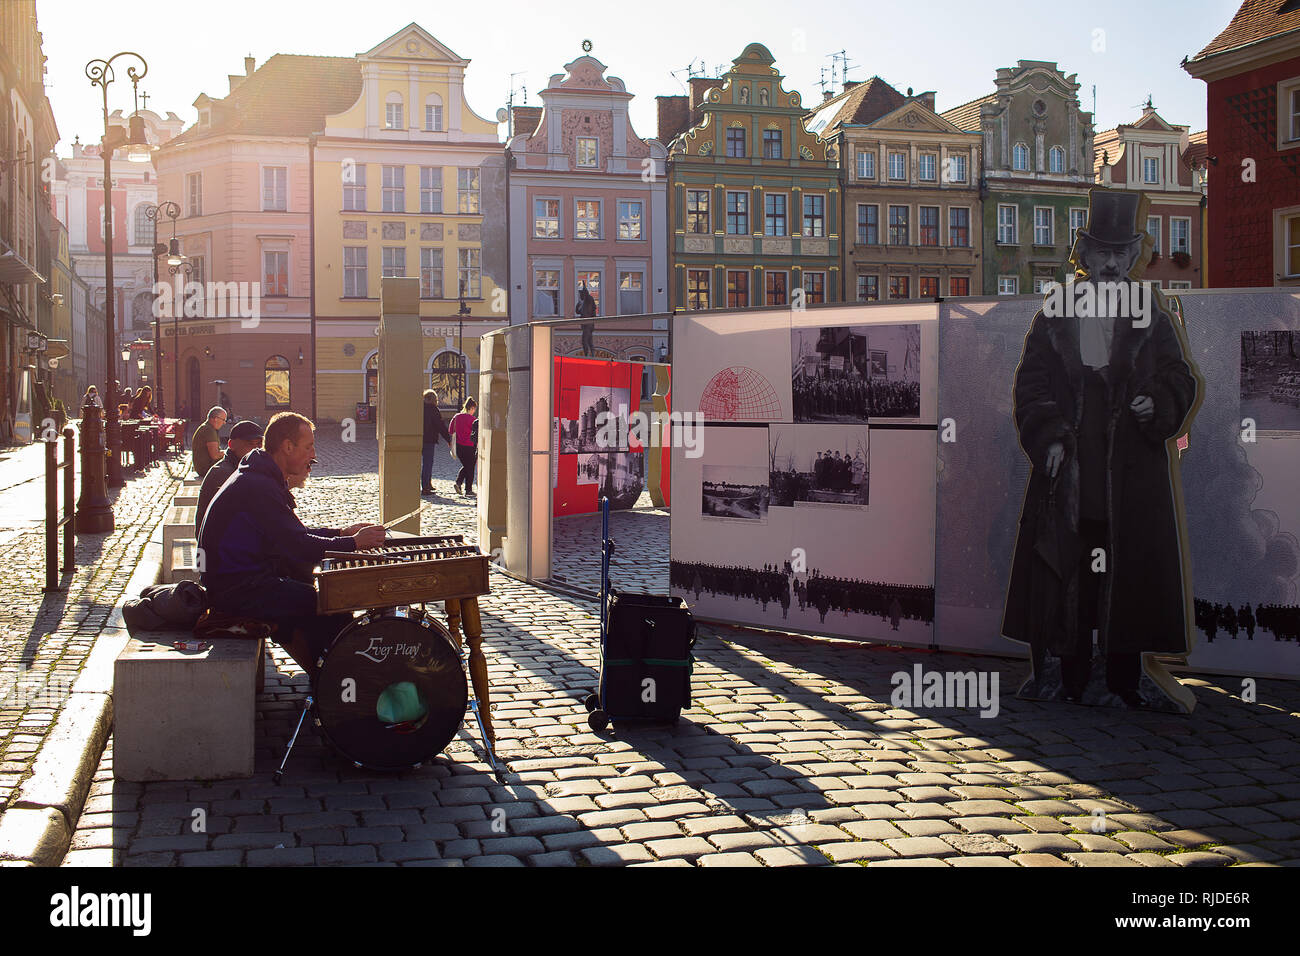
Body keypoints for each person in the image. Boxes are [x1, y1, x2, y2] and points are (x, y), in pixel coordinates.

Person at [1002, 187, 1202, 709]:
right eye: (1103, 253)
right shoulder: (1058, 306)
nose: (1112, 264)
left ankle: (1123, 677)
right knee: (1069, 560)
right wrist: (1045, 435)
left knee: (1125, 562)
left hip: (1130, 465)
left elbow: (1179, 376)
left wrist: (1157, 402)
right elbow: (1031, 383)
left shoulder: (1149, 309)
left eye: (1121, 253)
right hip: (1070, 459)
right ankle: (1067, 674)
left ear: (1132, 254)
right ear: (1085, 254)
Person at [198, 412, 385, 676]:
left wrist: (342, 532)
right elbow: (298, 545)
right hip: (237, 589)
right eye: (308, 446)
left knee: (310, 589)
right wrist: (353, 543)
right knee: (331, 604)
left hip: (240, 581)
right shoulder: (259, 484)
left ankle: (329, 678)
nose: (313, 455)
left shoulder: (259, 475)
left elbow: (290, 534)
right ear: (287, 446)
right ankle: (339, 685)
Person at [195, 420, 263, 534]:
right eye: (250, 444)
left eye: (259, 445)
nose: (256, 449)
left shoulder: (240, 467)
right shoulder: (225, 473)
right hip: (215, 547)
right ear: (231, 444)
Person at [421, 389, 451, 495]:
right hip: (429, 440)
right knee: (428, 463)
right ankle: (426, 487)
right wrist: (449, 439)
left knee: (423, 464)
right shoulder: (434, 409)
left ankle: (427, 484)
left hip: (418, 438)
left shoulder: (419, 409)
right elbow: (440, 426)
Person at [449, 397, 478, 496]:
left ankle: (458, 483)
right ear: (472, 408)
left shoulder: (456, 417)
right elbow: (476, 433)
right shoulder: (473, 420)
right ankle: (468, 490)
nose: (474, 411)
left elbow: (450, 430)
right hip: (470, 446)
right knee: (470, 468)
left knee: (467, 466)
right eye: (474, 409)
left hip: (459, 446)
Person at [191, 406, 227, 477]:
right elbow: (215, 455)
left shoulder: (207, 427)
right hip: (206, 470)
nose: (224, 423)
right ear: (216, 419)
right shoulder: (209, 430)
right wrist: (228, 452)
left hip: (204, 468)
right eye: (223, 420)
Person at [576, 282, 597, 357]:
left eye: (581, 294)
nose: (580, 296)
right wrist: (578, 305)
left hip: (588, 324)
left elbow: (587, 295)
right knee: (589, 340)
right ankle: (592, 354)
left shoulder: (588, 300)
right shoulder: (583, 303)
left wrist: (584, 287)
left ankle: (587, 355)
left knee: (585, 340)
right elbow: (577, 311)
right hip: (585, 325)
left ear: (584, 294)